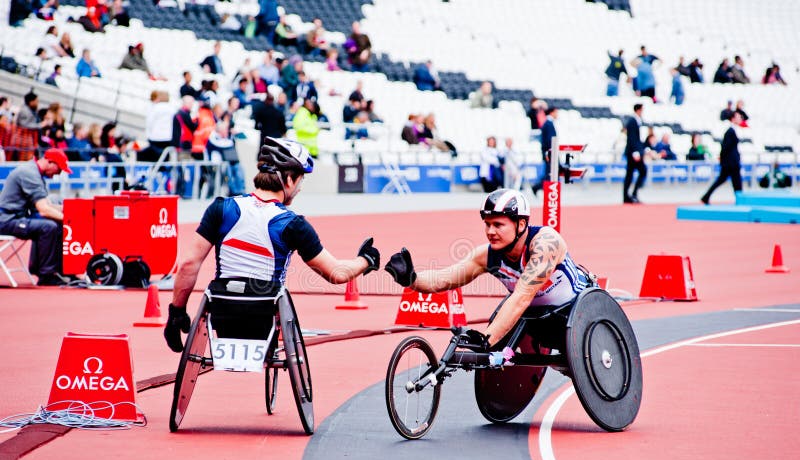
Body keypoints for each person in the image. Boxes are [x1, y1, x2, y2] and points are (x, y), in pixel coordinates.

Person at [163, 137, 380, 352]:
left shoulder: (221, 209)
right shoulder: (293, 224)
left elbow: (189, 264)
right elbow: (336, 273)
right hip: (263, 320)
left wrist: (177, 312)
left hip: (221, 316)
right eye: (300, 180)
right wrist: (365, 260)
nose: (300, 188)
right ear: (288, 180)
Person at [383, 189, 590, 352]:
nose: (490, 232)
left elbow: (521, 297)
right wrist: (410, 278)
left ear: (521, 224)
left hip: (580, 314)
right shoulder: (487, 256)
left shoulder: (546, 243)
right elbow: (443, 279)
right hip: (538, 322)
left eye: (498, 225)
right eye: (487, 224)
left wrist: (486, 339)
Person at [0, 148, 72, 285]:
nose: (59, 173)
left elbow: (47, 205)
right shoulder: (30, 174)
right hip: (6, 220)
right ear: (50, 162)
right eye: (59, 169)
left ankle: (55, 269)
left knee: (53, 224)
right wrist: (69, 220)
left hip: (15, 218)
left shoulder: (34, 172)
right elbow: (44, 210)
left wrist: (71, 210)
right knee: (48, 226)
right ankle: (46, 274)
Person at [701, 111, 742, 205]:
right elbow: (725, 147)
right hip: (731, 163)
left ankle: (706, 196)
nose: (740, 118)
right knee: (735, 182)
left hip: (731, 162)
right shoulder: (730, 131)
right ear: (733, 118)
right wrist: (723, 158)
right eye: (738, 117)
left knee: (728, 181)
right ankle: (740, 201)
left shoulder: (733, 130)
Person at [623, 103, 646, 204]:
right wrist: (636, 152)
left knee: (630, 174)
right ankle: (632, 194)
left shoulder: (635, 121)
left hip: (633, 152)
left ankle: (628, 196)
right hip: (633, 153)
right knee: (642, 171)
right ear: (638, 110)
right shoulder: (633, 121)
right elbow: (632, 138)